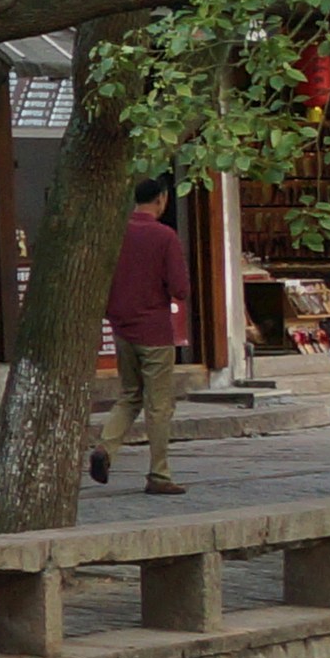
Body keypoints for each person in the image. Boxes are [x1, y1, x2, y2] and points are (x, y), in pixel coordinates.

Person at [95, 198, 194, 497]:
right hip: (155, 331)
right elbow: (180, 288)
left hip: (122, 330)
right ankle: (159, 473)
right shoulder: (165, 236)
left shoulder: (115, 235)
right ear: (161, 199)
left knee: (129, 395)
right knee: (159, 404)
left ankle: (105, 447)